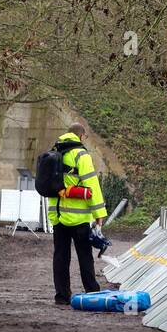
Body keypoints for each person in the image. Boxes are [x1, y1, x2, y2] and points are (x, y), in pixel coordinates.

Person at [49, 124, 107, 304]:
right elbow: (92, 186)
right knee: (85, 256)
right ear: (81, 136)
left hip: (58, 217)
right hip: (79, 217)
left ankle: (62, 296)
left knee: (60, 256)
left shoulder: (54, 152)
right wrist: (99, 213)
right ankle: (91, 292)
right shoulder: (81, 154)